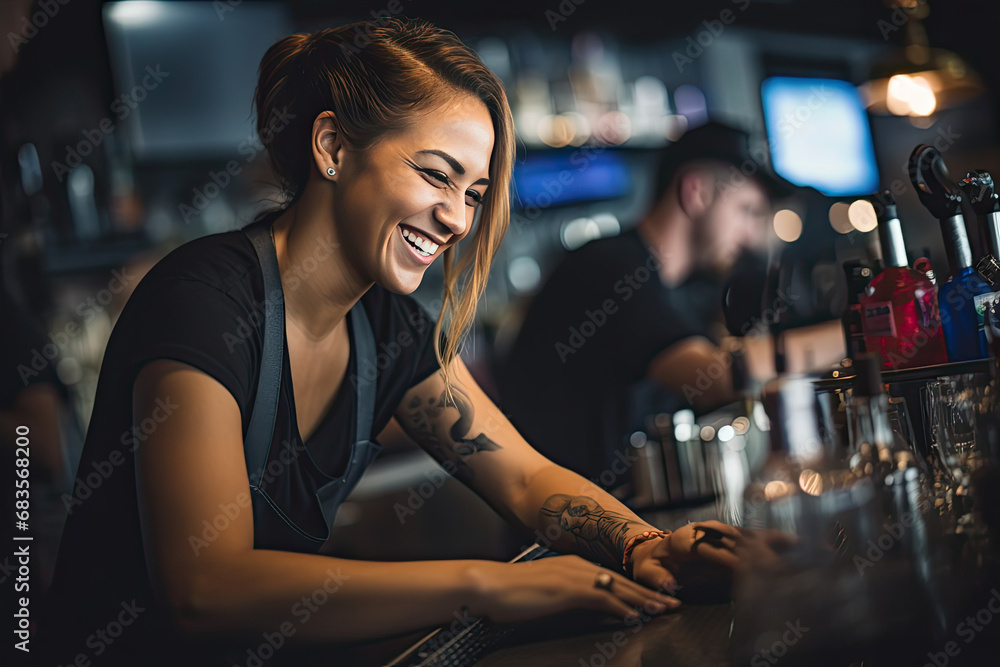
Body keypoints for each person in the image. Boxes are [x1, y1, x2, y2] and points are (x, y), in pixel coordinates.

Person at [39, 18, 742, 666]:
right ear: (333, 147)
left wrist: (644, 543)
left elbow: (525, 477)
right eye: (436, 174)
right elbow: (205, 586)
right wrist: (485, 585)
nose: (458, 219)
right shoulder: (206, 303)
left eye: (474, 192)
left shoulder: (386, 329)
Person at [495, 121, 790, 483]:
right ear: (696, 192)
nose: (749, 236)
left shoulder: (673, 285)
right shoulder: (613, 269)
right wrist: (850, 333)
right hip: (571, 526)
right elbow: (717, 380)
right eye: (746, 210)